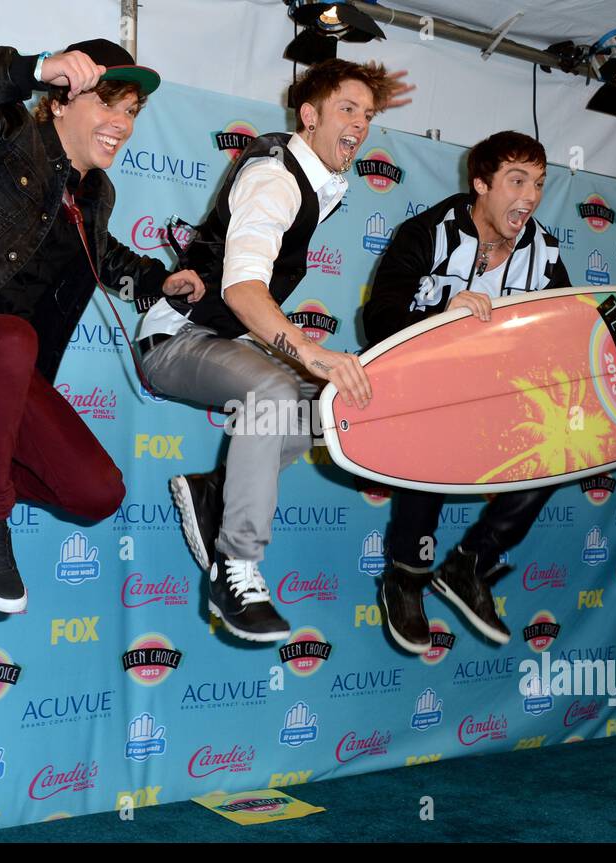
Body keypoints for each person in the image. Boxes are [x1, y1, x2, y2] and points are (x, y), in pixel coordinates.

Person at [0, 40, 204, 614]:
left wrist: (159, 282)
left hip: (5, 388)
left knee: (98, 492)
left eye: (131, 112)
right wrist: (30, 69)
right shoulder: (1, 137)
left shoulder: (97, 193)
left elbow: (103, 256)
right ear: (58, 103)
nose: (121, 124)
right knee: (9, 336)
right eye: (109, 104)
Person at [362, 131, 616, 653]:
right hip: (416, 391)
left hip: (495, 402)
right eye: (517, 181)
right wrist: (439, 319)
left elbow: (580, 347)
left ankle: (471, 562)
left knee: (562, 433)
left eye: (538, 183)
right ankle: (407, 576)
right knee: (432, 436)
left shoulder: (543, 252)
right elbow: (377, 322)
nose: (531, 196)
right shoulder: (426, 234)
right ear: (481, 185)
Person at [140, 59, 403, 643]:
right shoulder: (275, 177)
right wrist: (310, 352)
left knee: (333, 402)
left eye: (368, 115)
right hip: (174, 339)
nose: (360, 126)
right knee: (274, 388)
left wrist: (318, 368)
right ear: (309, 116)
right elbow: (241, 289)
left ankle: (219, 490)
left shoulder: (318, 184)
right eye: (347, 110)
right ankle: (234, 566)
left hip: (219, 338)